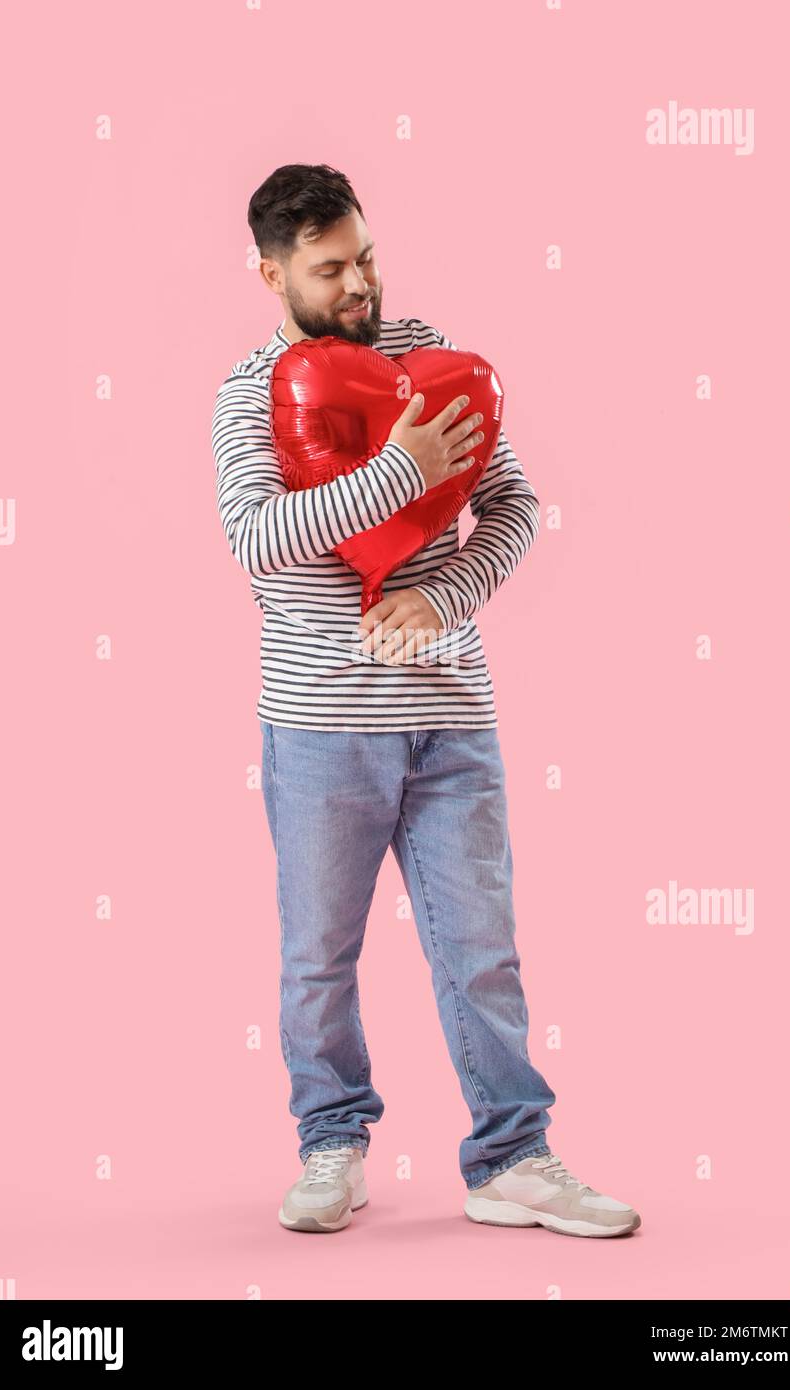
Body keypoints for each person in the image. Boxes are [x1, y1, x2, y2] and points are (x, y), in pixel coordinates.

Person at [211, 163, 641, 1238]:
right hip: (319, 726)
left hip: (451, 711)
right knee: (319, 953)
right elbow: (256, 540)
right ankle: (330, 1144)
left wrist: (443, 594)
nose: (357, 284)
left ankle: (511, 1155)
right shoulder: (243, 392)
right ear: (270, 273)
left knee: (480, 946)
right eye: (328, 269)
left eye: (364, 255)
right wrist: (396, 473)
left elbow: (511, 506)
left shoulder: (429, 360)